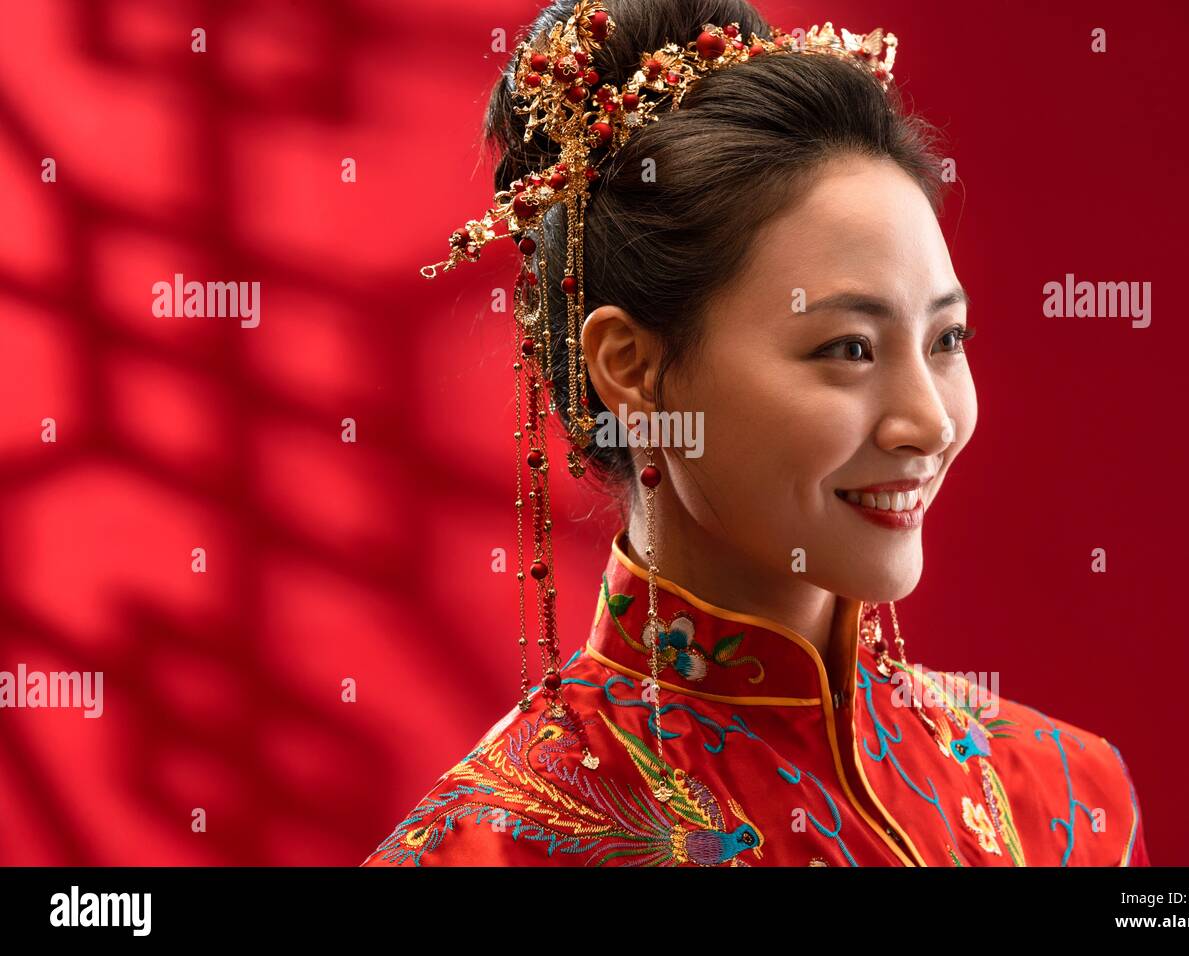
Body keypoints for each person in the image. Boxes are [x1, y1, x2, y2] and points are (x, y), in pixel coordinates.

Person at [362, 0, 1149, 867]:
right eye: (849, 348)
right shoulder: (492, 847)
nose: (930, 421)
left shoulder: (1068, 800)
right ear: (633, 367)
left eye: (946, 339)